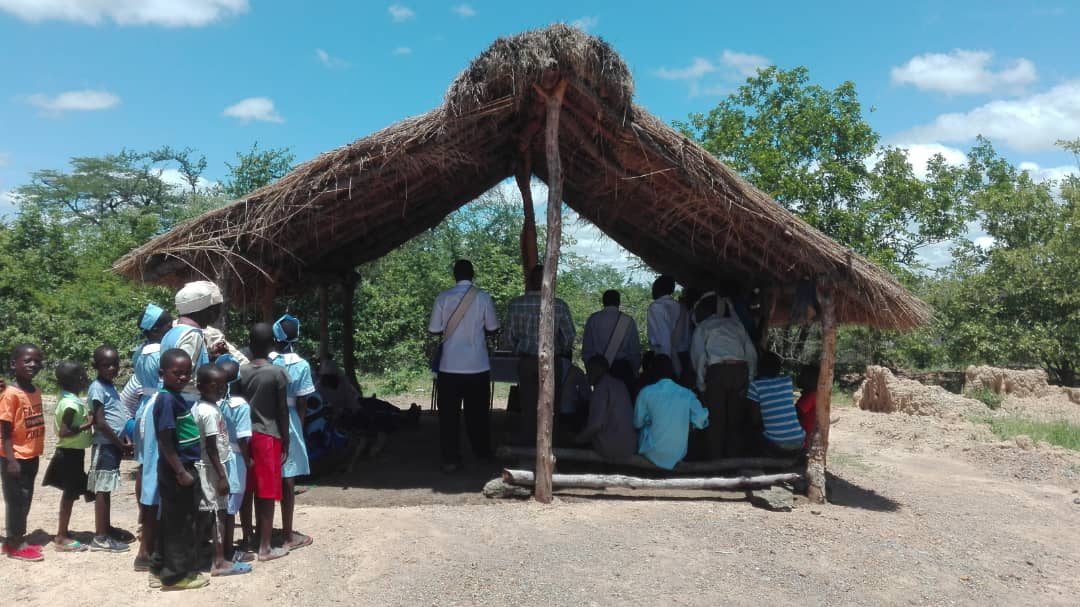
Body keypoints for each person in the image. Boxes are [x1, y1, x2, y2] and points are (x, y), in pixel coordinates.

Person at [428, 260, 500, 472]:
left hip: (449, 367)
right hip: (477, 365)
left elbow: (434, 329)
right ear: (473, 274)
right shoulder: (483, 297)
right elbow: (493, 327)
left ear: (454, 275)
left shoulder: (443, 297)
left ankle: (451, 458)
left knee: (449, 415)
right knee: (477, 413)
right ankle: (482, 453)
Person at [150, 348, 209, 590]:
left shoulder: (175, 396)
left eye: (187, 373)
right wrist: (181, 471)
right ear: (163, 373)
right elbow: (165, 440)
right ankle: (176, 576)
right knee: (181, 524)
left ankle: (159, 566)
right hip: (178, 470)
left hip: (179, 468)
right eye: (177, 373)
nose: (183, 377)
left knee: (170, 520)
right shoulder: (166, 399)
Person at [125, 303, 173, 571]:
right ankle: (149, 545)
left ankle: (145, 519)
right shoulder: (161, 353)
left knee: (145, 468)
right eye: (167, 325)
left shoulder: (139, 353)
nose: (170, 328)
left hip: (143, 408)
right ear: (156, 330)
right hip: (157, 408)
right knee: (156, 471)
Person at [506, 264, 576, 445]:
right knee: (551, 406)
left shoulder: (516, 304)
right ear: (549, 281)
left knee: (528, 406)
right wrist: (559, 348)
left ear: (530, 281)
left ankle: (529, 446)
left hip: (527, 359)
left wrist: (518, 348)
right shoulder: (559, 305)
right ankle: (549, 445)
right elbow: (569, 336)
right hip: (552, 360)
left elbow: (508, 337)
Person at [238, 323, 290, 562]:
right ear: (272, 344)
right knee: (267, 492)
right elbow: (282, 410)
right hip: (268, 437)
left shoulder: (241, 372)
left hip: (245, 437)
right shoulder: (277, 373)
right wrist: (286, 439)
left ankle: (248, 538)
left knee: (247, 491)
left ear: (250, 343)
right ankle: (265, 547)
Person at [193, 364, 251, 577]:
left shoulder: (205, 406)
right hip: (211, 469)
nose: (219, 389)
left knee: (209, 513)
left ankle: (203, 556)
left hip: (209, 467)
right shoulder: (208, 412)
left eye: (223, 385)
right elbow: (211, 447)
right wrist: (221, 476)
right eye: (213, 386)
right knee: (217, 513)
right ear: (200, 386)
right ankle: (219, 562)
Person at [691, 292, 758, 458]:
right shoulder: (735, 324)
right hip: (740, 371)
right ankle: (733, 460)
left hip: (717, 372)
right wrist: (749, 378)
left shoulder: (704, 327)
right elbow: (750, 353)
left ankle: (716, 461)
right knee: (735, 420)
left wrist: (701, 385)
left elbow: (699, 357)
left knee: (716, 420)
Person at [270, 314, 315, 550]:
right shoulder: (302, 365)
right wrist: (299, 424)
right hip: (291, 420)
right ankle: (288, 533)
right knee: (288, 477)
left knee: (266, 474)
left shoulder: (267, 362)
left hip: (266, 419)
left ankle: (260, 532)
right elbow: (302, 402)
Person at [43, 361, 95, 553]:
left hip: (71, 453)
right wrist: (88, 424)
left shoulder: (66, 396)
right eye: (81, 375)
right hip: (69, 454)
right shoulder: (71, 404)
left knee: (72, 493)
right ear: (76, 380)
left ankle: (63, 532)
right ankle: (61, 537)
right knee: (69, 494)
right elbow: (64, 432)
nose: (85, 378)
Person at [0, 343, 45, 562]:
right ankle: (15, 544)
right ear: (13, 364)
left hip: (31, 455)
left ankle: (15, 538)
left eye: (37, 360)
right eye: (27, 360)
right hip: (14, 457)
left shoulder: (35, 390)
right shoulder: (10, 394)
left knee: (25, 499)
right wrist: (10, 459)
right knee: (16, 500)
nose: (33, 364)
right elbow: (5, 430)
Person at [87, 345, 131, 553]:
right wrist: (119, 443)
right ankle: (100, 537)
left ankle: (106, 527)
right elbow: (101, 422)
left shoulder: (109, 386)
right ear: (95, 366)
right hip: (105, 445)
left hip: (112, 445)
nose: (112, 368)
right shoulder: (97, 387)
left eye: (115, 364)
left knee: (107, 488)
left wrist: (123, 440)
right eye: (106, 365)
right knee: (102, 490)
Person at [633, 355, 709, 470]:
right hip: (677, 455)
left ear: (651, 370)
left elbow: (637, 423)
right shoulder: (686, 394)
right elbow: (701, 419)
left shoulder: (646, 392)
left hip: (651, 454)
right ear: (672, 371)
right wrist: (689, 424)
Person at [163, 280, 228, 403]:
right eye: (216, 309)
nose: (217, 314)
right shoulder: (192, 335)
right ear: (207, 311)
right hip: (185, 403)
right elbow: (182, 377)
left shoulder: (171, 332)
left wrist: (210, 357)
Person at [216, 358, 253, 563]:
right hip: (236, 459)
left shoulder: (212, 403)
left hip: (218, 457)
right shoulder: (240, 406)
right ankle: (229, 550)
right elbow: (242, 437)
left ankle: (219, 546)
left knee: (221, 505)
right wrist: (248, 460)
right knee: (231, 507)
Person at [575, 356, 636, 460]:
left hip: (611, 449)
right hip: (630, 447)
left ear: (600, 370)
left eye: (590, 370)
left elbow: (595, 425)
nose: (587, 375)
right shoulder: (620, 384)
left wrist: (577, 440)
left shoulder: (600, 388)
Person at [581, 290, 641, 395]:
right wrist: (634, 371)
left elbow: (587, 350)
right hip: (623, 370)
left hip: (599, 370)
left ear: (603, 302)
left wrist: (591, 371)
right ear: (618, 302)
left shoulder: (593, 319)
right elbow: (634, 351)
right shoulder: (628, 320)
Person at [746, 352, 806, 457]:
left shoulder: (755, 386)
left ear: (758, 368)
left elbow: (754, 419)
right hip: (800, 443)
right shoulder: (787, 381)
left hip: (778, 446)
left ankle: (758, 461)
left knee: (751, 432)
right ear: (778, 368)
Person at [647, 276, 691, 380]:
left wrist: (666, 363)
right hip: (684, 355)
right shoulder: (681, 306)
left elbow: (664, 337)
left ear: (657, 288)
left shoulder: (656, 307)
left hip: (667, 358)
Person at [794, 364, 819, 451]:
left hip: (803, 441)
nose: (799, 377)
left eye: (802, 375)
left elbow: (794, 415)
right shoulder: (814, 394)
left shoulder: (810, 396)